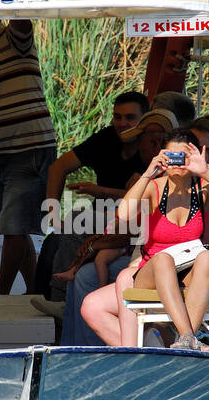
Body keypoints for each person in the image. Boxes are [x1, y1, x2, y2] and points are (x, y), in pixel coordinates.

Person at [53, 109, 177, 341]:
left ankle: (90, 348)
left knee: (86, 274)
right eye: (148, 137)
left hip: (153, 256)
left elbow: (141, 229)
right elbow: (126, 216)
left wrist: (97, 244)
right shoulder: (144, 176)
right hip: (134, 245)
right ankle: (70, 340)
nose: (153, 144)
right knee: (78, 239)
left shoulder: (171, 180)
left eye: (160, 139)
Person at [107, 131, 209, 350]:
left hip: (188, 269)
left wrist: (206, 173)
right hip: (153, 271)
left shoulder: (201, 187)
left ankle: (186, 339)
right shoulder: (154, 188)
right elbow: (123, 214)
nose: (176, 163)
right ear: (162, 156)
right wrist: (148, 173)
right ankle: (188, 335)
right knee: (163, 259)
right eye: (171, 156)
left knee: (208, 257)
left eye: (182, 157)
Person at [0, 19, 56, 294]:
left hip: (28, 148)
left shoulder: (15, 38)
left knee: (15, 228)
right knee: (3, 229)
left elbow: (23, 19)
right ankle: (34, 291)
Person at [44, 91, 149, 204]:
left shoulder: (155, 146)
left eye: (130, 117)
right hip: (99, 214)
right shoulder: (106, 138)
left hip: (136, 217)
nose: (122, 123)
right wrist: (53, 216)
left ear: (145, 120)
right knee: (76, 215)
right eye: (118, 117)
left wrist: (101, 192)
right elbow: (58, 167)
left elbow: (147, 198)